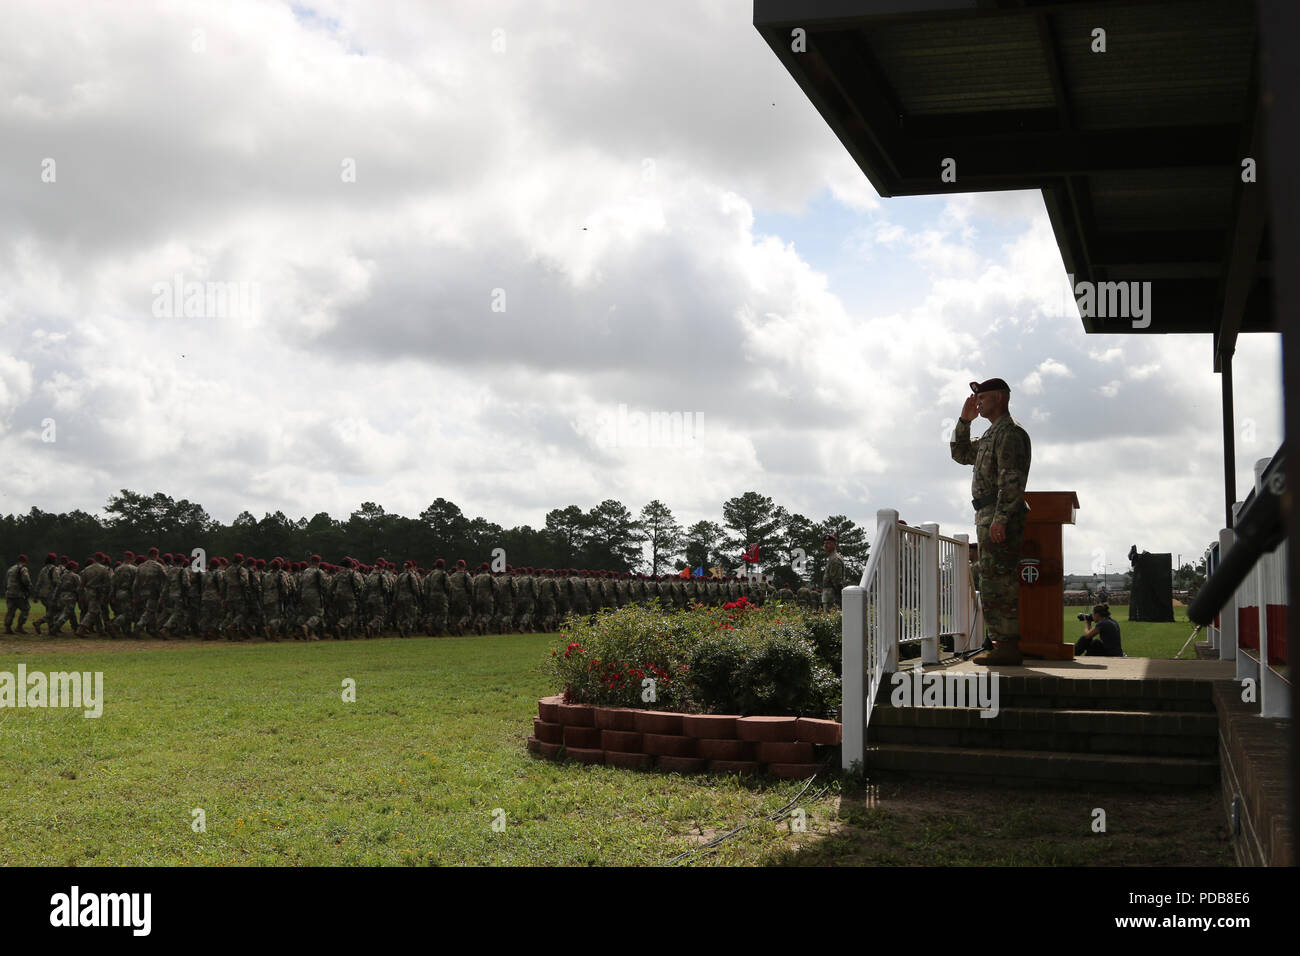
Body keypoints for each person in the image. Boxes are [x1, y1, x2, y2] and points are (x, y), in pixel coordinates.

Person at [951, 377, 1032, 666]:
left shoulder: (1009, 433)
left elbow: (1011, 481)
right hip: (987, 515)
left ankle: (1007, 645)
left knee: (1000, 583)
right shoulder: (990, 435)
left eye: (982, 397)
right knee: (990, 581)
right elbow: (960, 453)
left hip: (999, 515)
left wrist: (1001, 519)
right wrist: (964, 420)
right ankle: (1001, 643)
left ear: (999, 397)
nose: (978, 402)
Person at [821, 533, 844, 609]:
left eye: (828, 543)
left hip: (833, 598)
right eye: (824, 543)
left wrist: (841, 596)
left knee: (832, 619)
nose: (825, 545)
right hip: (829, 597)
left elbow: (837, 581)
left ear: (835, 544)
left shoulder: (834, 559)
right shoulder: (831, 558)